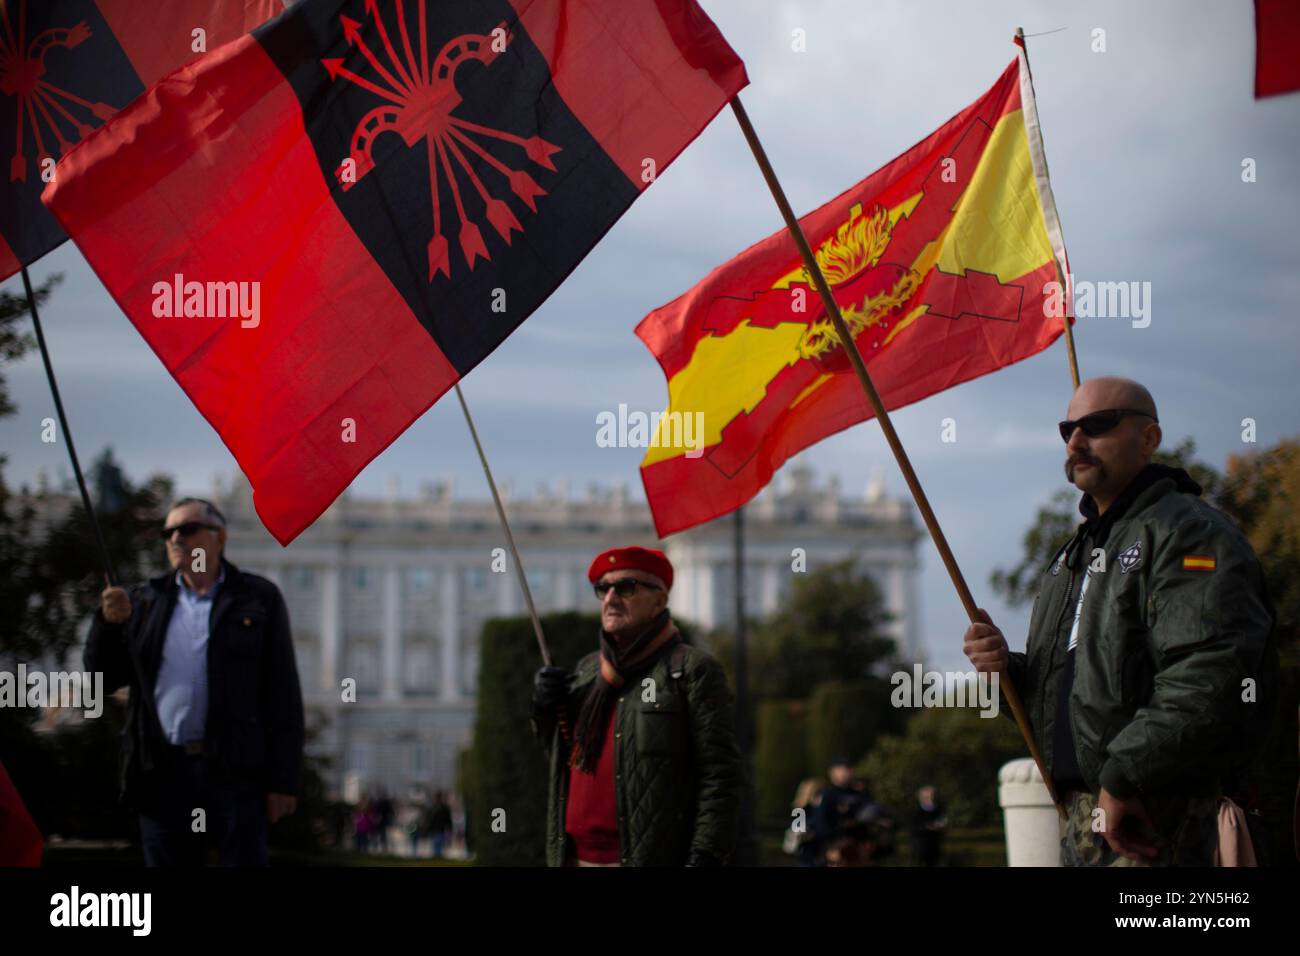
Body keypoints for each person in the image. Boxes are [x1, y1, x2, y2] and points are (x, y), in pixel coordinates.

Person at [963, 377, 1276, 866]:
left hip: (1157, 816)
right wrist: (1007, 673)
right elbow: (1077, 694)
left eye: (1098, 425)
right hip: (1087, 818)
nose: (1076, 441)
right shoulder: (1072, 556)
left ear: (1149, 438)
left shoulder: (1188, 531)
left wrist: (1124, 775)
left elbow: (1213, 669)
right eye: (1068, 429)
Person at [86, 497, 304, 866]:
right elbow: (103, 678)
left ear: (219, 537)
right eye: (167, 532)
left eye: (187, 529)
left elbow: (282, 691)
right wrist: (107, 625)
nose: (175, 539)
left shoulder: (258, 597)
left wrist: (283, 780)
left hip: (235, 774)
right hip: (163, 773)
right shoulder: (145, 601)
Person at [531, 546, 742, 866]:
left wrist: (707, 853)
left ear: (660, 600)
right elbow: (563, 757)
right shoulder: (589, 670)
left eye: (626, 587)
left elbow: (721, 775)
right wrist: (544, 708)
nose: (611, 598)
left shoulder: (690, 669)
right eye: (603, 588)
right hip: (574, 859)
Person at [910, 784, 946, 867]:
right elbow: (914, 828)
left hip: (935, 845)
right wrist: (928, 827)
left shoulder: (939, 810)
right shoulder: (917, 811)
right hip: (921, 846)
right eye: (928, 797)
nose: (931, 799)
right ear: (922, 798)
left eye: (933, 796)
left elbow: (943, 822)